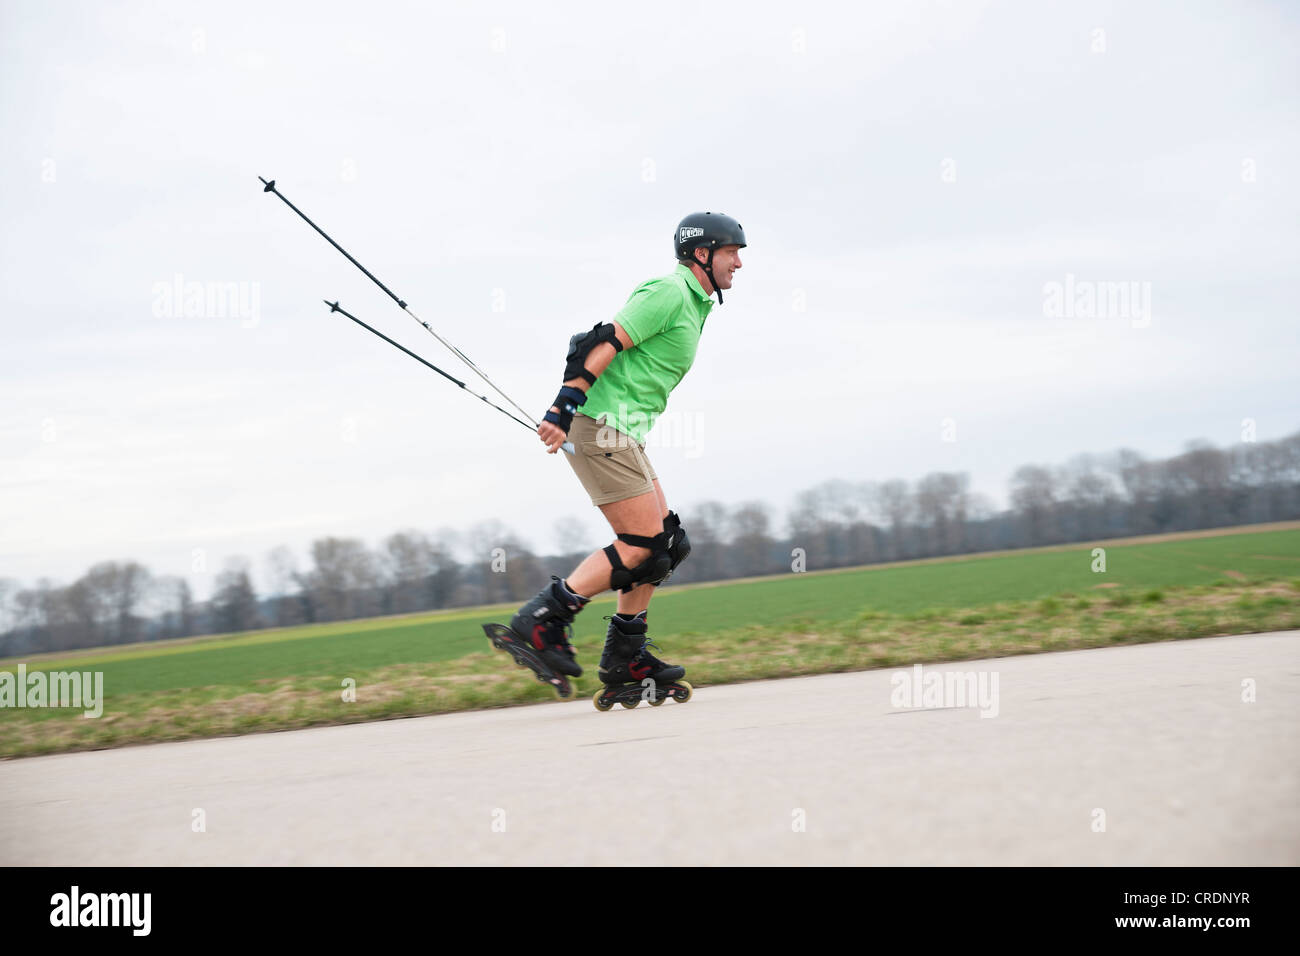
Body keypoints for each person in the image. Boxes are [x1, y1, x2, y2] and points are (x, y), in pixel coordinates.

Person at [504, 211, 746, 695]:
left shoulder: (696, 303)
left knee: (665, 546)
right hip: (599, 425)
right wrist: (562, 407)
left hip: (623, 431)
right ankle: (542, 620)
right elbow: (601, 342)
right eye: (730, 253)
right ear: (702, 254)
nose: (738, 263)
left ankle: (625, 657)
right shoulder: (669, 292)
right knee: (640, 543)